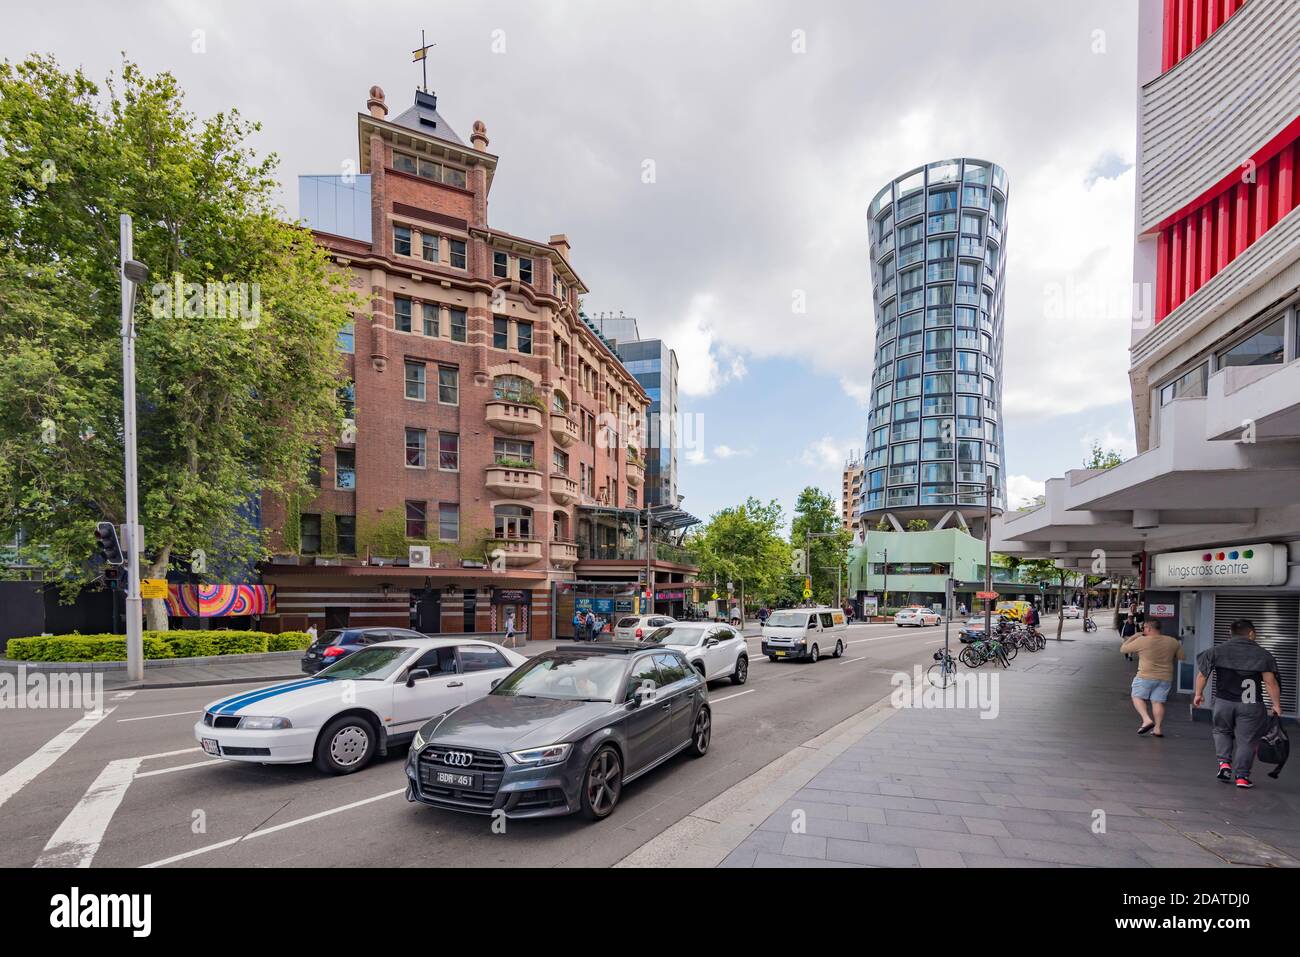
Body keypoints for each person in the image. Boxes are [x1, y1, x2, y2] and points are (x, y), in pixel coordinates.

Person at [1194, 619, 1283, 788]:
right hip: (1251, 705)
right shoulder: (1263, 654)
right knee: (1247, 741)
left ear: (1230, 633)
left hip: (1223, 702)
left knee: (1221, 731)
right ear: (1251, 634)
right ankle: (1242, 777)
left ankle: (1224, 764)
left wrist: (1198, 694)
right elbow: (1270, 682)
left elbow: (1202, 675)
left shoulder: (1216, 651)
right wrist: (1276, 704)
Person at [1120, 619, 1185, 738]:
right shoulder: (1173, 642)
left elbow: (1123, 649)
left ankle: (1146, 720)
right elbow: (1182, 657)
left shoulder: (1142, 640)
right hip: (1165, 677)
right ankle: (1158, 729)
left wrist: (1134, 636)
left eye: (1144, 628)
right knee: (1157, 702)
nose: (1143, 630)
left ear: (1149, 628)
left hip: (1145, 676)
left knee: (1137, 697)